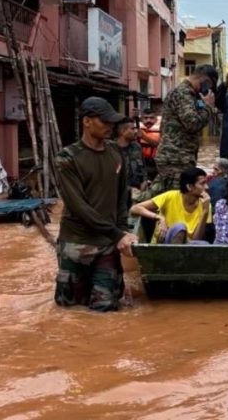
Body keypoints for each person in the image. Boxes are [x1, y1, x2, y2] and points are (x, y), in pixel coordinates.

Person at [53, 97, 137, 312]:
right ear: (87, 121)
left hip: (107, 244)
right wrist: (117, 234)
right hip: (76, 243)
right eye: (105, 122)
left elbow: (122, 197)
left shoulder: (115, 153)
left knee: (106, 307)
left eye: (112, 122)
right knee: (68, 308)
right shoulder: (68, 158)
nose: (110, 127)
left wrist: (124, 231)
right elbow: (79, 207)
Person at [151, 65, 217, 195]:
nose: (209, 90)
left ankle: (137, 206)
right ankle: (136, 207)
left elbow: (196, 116)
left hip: (180, 157)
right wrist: (208, 107)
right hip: (175, 157)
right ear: (206, 81)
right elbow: (192, 123)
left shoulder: (193, 96)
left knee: (163, 195)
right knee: (176, 197)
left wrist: (204, 104)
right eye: (210, 86)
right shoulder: (183, 93)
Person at [130, 167, 212, 244]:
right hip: (165, 243)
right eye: (202, 184)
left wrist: (205, 212)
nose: (207, 187)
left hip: (188, 247)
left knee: (204, 243)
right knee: (180, 227)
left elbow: (196, 240)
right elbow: (135, 208)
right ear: (189, 187)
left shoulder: (205, 204)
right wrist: (160, 218)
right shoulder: (170, 196)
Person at [116, 117, 145, 196]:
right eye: (132, 129)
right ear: (123, 131)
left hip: (137, 193)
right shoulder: (112, 149)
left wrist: (144, 182)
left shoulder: (137, 147)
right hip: (119, 194)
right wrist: (129, 189)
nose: (136, 131)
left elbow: (143, 169)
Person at [137, 108, 161, 182]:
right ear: (141, 119)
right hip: (141, 161)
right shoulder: (136, 126)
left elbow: (159, 144)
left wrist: (143, 136)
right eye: (146, 118)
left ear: (156, 118)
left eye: (151, 118)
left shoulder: (162, 127)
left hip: (156, 161)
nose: (148, 120)